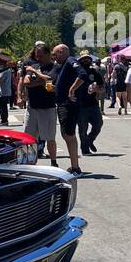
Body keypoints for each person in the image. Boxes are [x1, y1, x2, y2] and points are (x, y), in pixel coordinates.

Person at [21, 41, 60, 166]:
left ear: (49, 54)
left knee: (50, 138)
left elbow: (49, 80)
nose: (38, 58)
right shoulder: (34, 66)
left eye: (41, 56)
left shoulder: (55, 67)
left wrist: (35, 73)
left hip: (47, 108)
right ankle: (29, 162)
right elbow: (27, 82)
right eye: (37, 56)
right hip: (32, 107)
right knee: (28, 138)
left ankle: (53, 162)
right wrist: (40, 81)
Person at [51, 44, 84, 175]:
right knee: (68, 135)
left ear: (61, 52)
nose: (54, 57)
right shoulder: (63, 65)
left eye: (55, 54)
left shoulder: (70, 61)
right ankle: (74, 165)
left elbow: (82, 74)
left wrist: (72, 89)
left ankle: (75, 167)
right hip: (63, 103)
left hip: (68, 105)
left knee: (68, 135)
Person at [75, 50, 104, 156]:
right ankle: (84, 149)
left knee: (98, 124)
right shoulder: (76, 71)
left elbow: (101, 86)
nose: (86, 60)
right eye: (84, 59)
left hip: (93, 103)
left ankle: (89, 140)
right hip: (80, 104)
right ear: (80, 60)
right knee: (83, 128)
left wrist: (98, 89)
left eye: (88, 58)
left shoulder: (94, 72)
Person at [0, 61, 13, 126]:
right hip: (4, 91)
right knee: (1, 106)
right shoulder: (7, 70)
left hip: (3, 91)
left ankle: (4, 121)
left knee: (2, 107)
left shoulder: (4, 71)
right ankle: (4, 120)